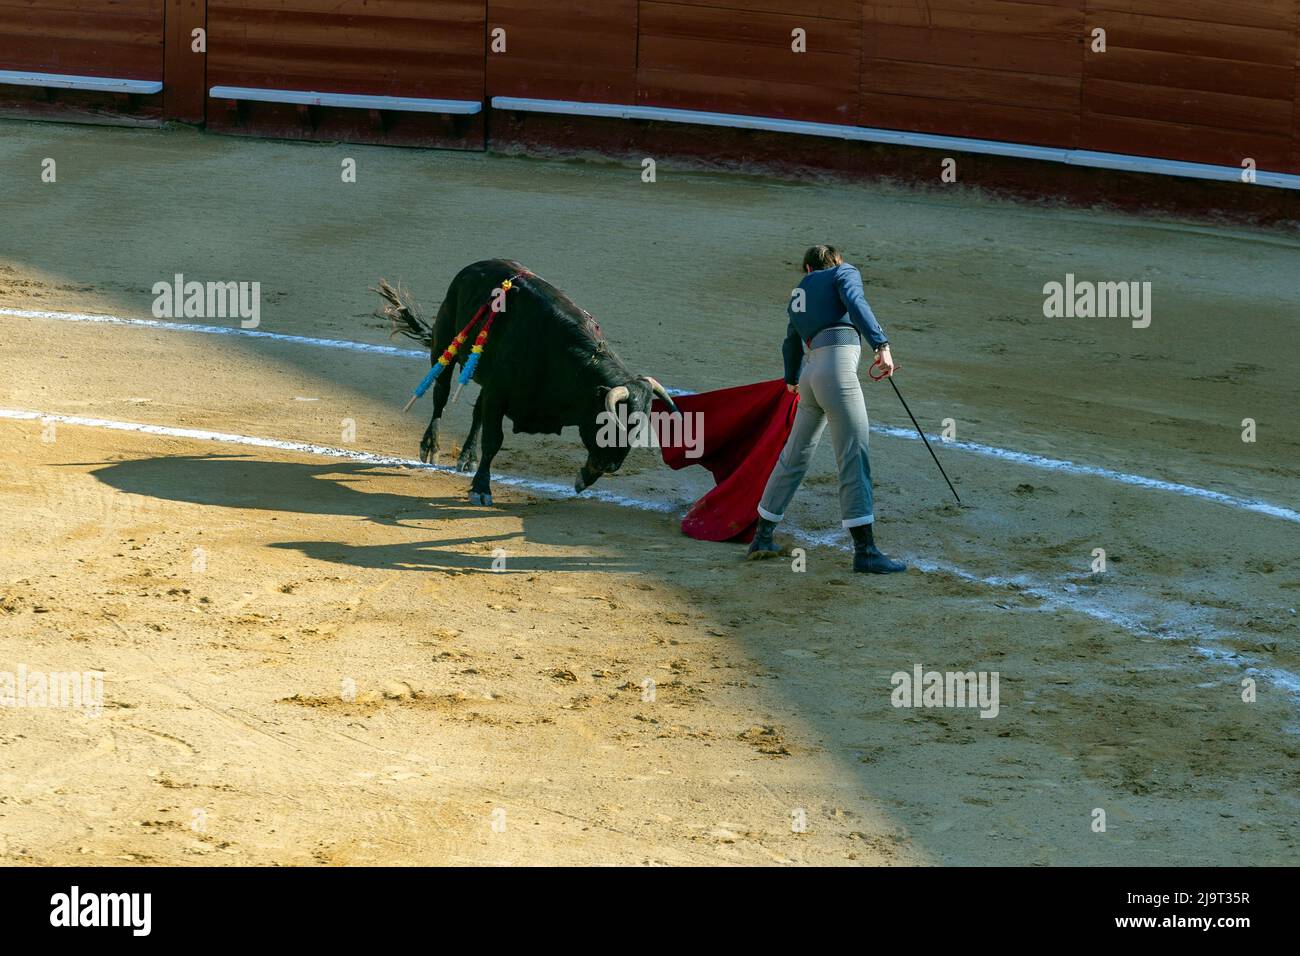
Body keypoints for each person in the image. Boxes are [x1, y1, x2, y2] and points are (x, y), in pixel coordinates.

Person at [748, 245, 906, 574]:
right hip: (836, 372)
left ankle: (761, 537)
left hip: (809, 375)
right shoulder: (844, 272)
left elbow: (791, 341)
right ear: (836, 261)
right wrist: (881, 344)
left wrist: (792, 379)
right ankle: (865, 551)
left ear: (807, 268)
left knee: (794, 455)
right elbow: (856, 302)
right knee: (853, 451)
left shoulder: (797, 295)